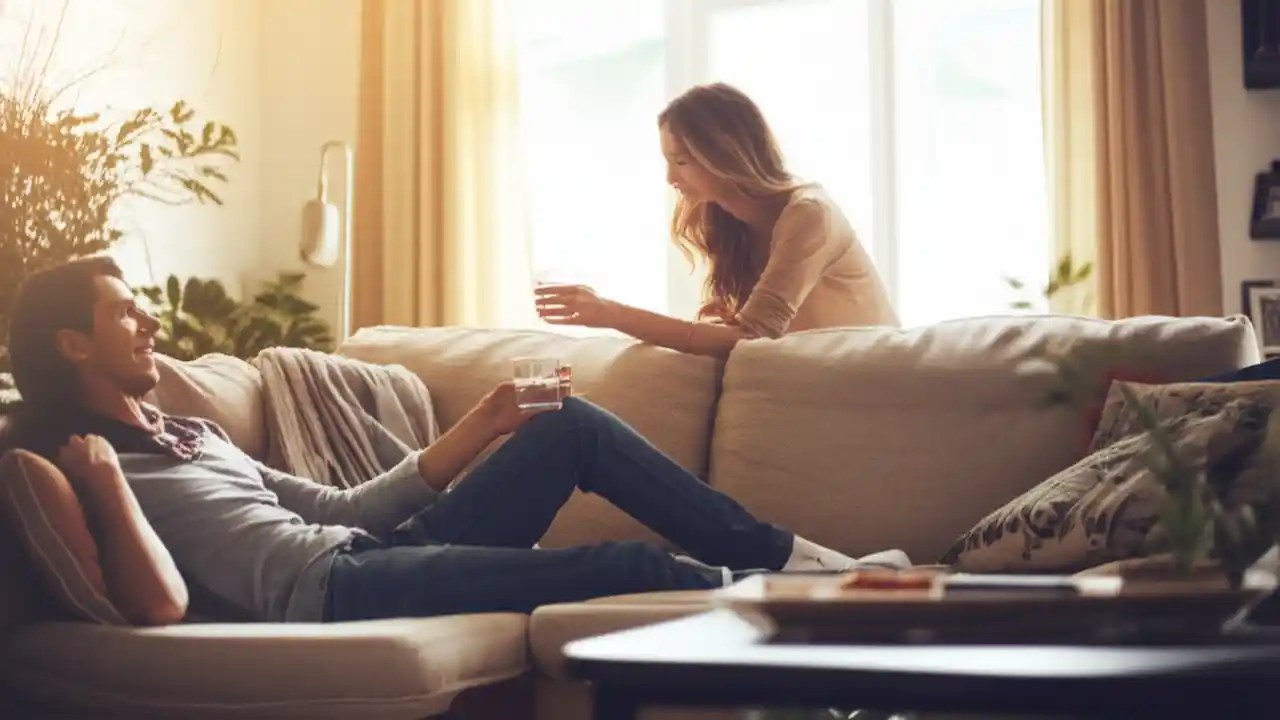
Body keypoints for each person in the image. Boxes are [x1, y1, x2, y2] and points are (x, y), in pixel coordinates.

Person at [5, 257, 908, 625]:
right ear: (71, 345)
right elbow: (159, 607)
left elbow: (341, 508)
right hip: (331, 596)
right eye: (125, 313)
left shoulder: (192, 428)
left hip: (369, 549)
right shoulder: (88, 465)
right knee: (624, 566)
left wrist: (490, 418)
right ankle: (837, 612)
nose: (149, 322)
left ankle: (804, 562)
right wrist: (112, 483)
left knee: (569, 424)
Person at [535, 83, 899, 358]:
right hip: (809, 383)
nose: (671, 179)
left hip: (870, 382)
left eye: (681, 161)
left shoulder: (809, 214)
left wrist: (609, 313)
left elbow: (752, 338)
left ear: (722, 154)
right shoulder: (728, 220)